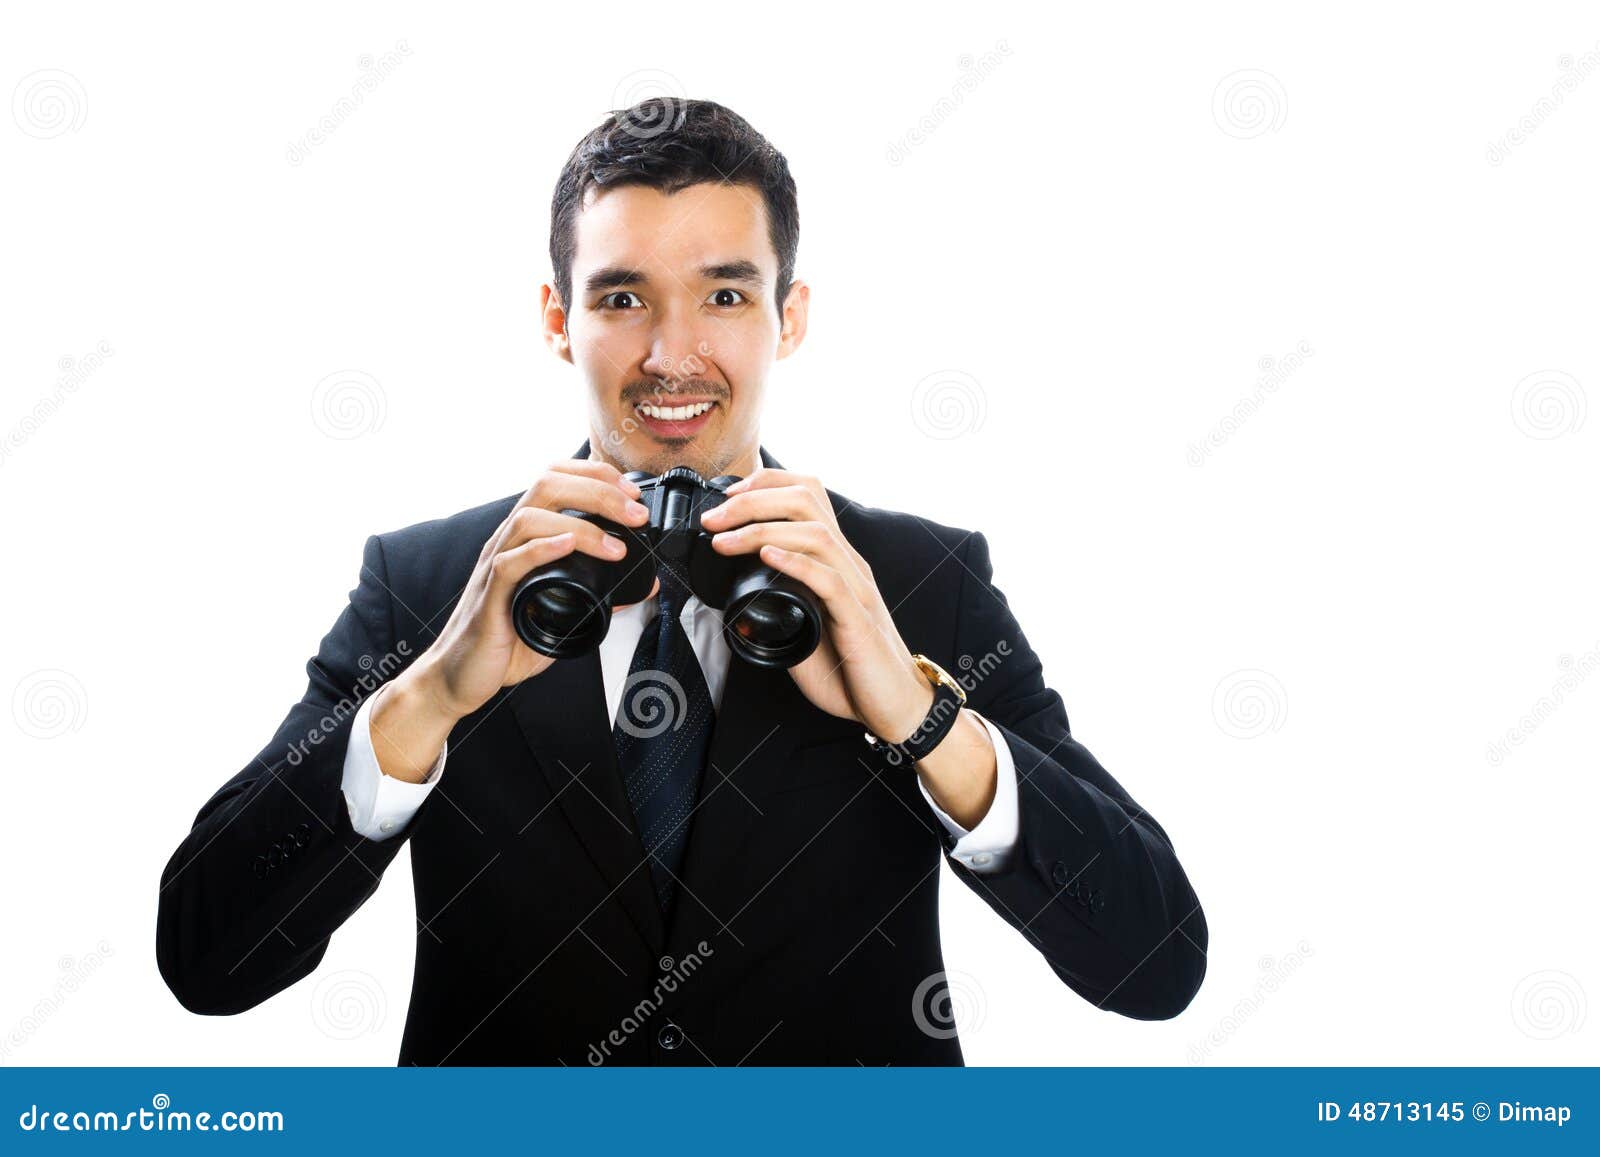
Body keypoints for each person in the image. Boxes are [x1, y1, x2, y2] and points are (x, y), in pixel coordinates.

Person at [156, 98, 1207, 1065]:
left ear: (786, 318)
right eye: (621, 295)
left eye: (723, 293)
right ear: (557, 317)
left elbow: (1155, 960)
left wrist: (921, 717)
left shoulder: (918, 579)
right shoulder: (431, 584)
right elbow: (208, 956)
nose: (672, 352)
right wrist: (429, 694)